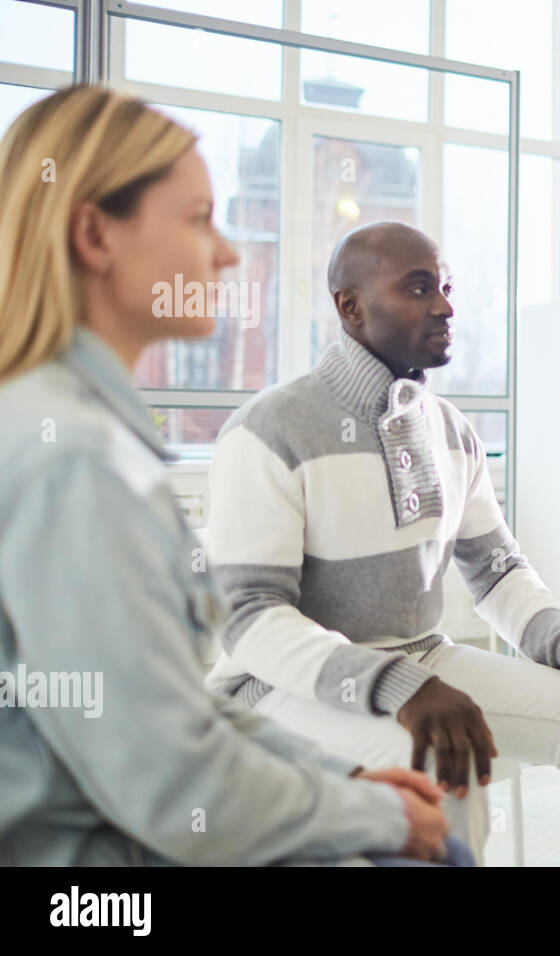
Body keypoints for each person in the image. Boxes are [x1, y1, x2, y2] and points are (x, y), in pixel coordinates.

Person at [0, 86, 467, 866]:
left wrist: (346, 777)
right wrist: (374, 817)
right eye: (196, 218)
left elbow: (169, 716)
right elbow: (170, 782)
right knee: (433, 850)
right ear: (94, 233)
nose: (223, 252)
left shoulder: (77, 425)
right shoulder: (76, 461)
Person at [203, 220, 560, 867]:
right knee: (444, 768)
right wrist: (398, 687)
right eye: (419, 288)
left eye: (447, 287)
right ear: (350, 306)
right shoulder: (269, 430)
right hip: (281, 686)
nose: (446, 306)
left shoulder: (451, 431)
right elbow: (250, 618)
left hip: (424, 658)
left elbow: (497, 569)